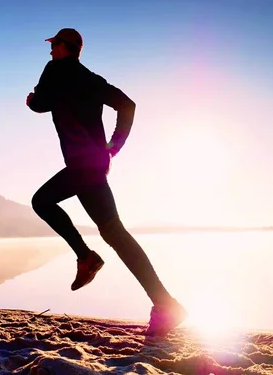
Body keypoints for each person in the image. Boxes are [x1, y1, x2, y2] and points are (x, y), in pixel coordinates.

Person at [26, 28, 187, 338]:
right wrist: (114, 145)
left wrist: (33, 98)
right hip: (95, 165)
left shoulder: (55, 70)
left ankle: (87, 257)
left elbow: (40, 104)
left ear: (66, 47)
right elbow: (128, 105)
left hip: (82, 166)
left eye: (54, 45)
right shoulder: (90, 78)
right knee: (115, 233)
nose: (49, 50)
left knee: (42, 201)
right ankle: (165, 304)